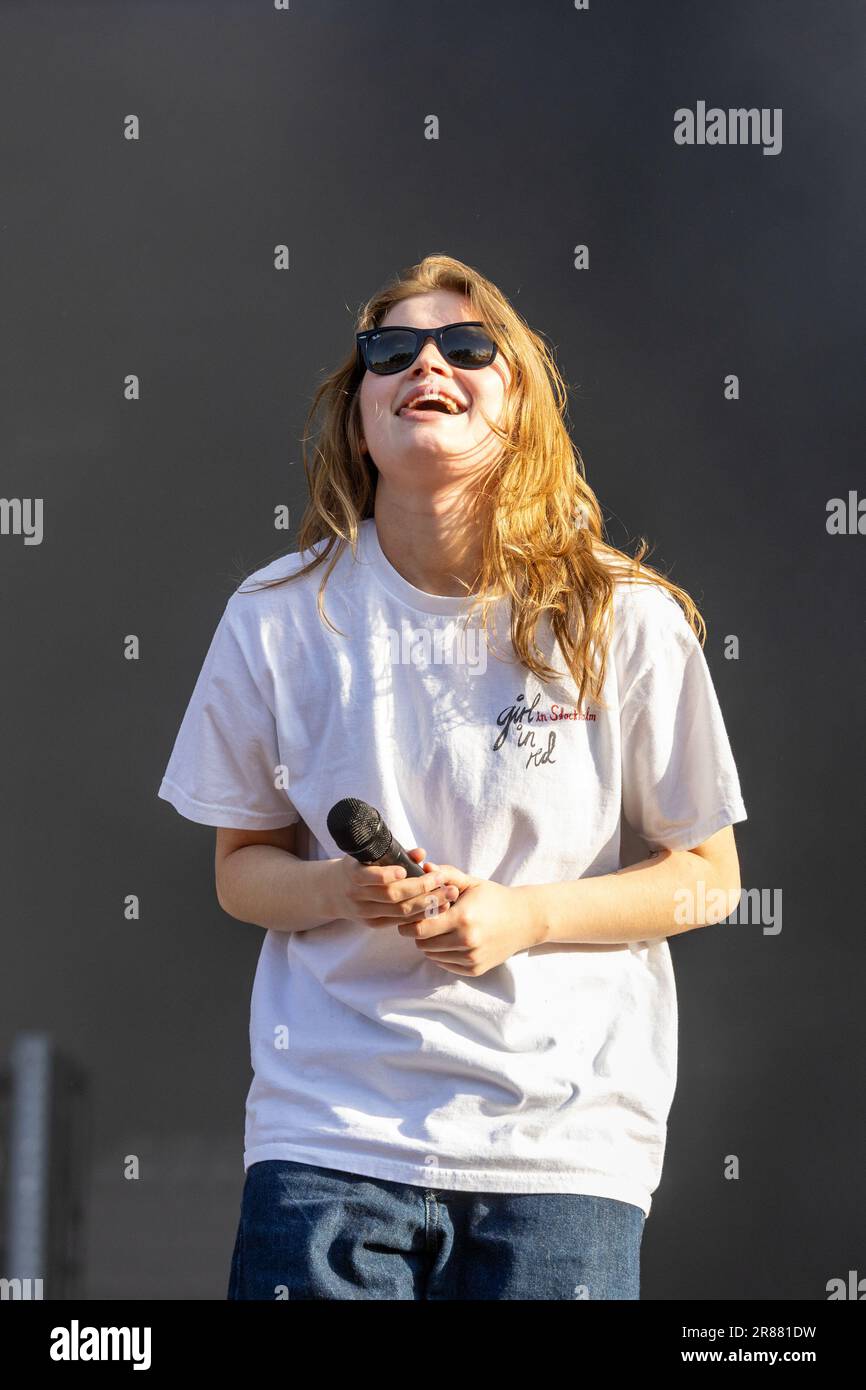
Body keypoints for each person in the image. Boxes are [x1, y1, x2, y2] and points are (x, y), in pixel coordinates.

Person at [158, 253, 746, 1301]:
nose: (425, 361)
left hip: (558, 1153)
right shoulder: (277, 615)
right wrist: (339, 888)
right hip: (327, 1140)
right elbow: (239, 869)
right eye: (389, 351)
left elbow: (706, 877)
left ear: (517, 405)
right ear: (357, 415)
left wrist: (521, 917)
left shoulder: (626, 616)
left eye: (465, 347)